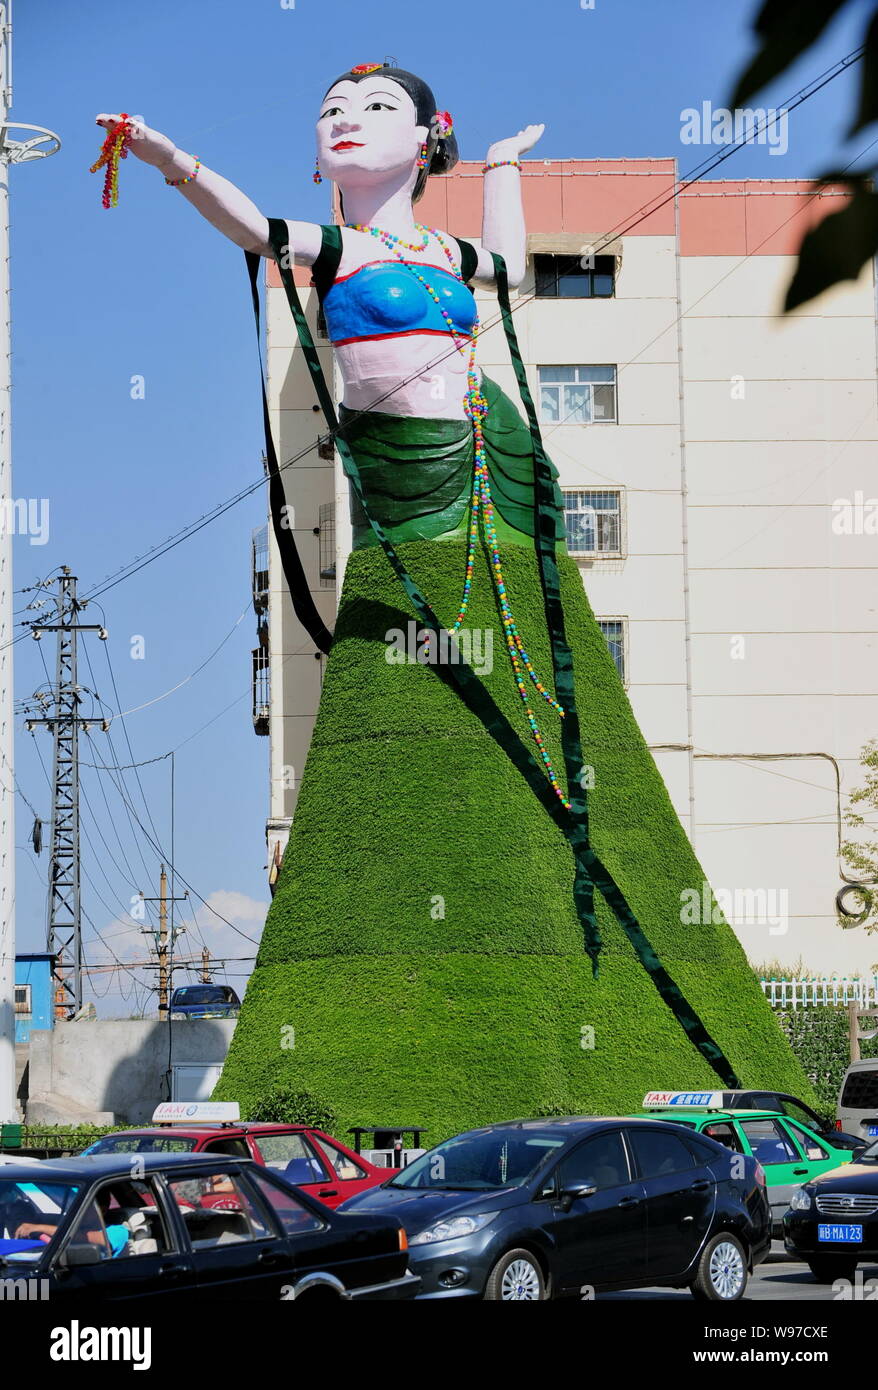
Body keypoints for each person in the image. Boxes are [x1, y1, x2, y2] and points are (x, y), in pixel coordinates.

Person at [92, 64, 810, 1132]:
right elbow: (247, 227)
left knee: (531, 649)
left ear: (429, 138)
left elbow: (512, 273)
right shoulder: (332, 247)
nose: (342, 119)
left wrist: (508, 171)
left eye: (373, 108)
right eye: (328, 109)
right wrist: (163, 157)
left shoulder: (444, 253)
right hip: (406, 473)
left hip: (490, 454)